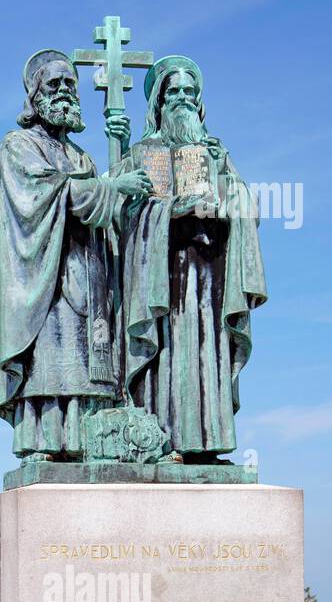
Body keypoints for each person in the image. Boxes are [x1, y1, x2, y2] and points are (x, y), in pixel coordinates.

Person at [0, 49, 151, 461]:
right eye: (54, 84)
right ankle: (43, 443)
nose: (64, 91)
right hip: (46, 274)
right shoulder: (18, 146)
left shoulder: (83, 157)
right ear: (34, 96)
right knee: (51, 357)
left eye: (70, 85)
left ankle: (85, 443)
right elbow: (53, 193)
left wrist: (122, 153)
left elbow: (106, 214)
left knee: (85, 361)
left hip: (89, 276)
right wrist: (111, 188)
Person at [111, 55, 266, 461]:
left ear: (199, 102)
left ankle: (207, 445)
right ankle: (164, 443)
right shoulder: (144, 153)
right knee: (168, 356)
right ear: (158, 103)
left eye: (189, 92)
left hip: (211, 273)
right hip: (163, 276)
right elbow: (122, 219)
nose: (182, 99)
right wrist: (171, 210)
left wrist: (229, 190)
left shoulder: (217, 155)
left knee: (207, 354)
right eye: (173, 92)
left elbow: (249, 206)